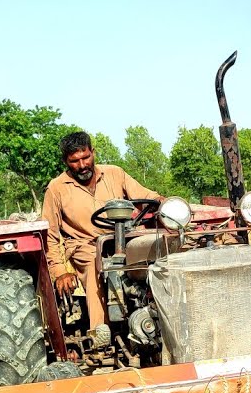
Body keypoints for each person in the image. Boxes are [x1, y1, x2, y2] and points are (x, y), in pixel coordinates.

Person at [40, 131, 162, 346]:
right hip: (84, 245)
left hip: (125, 238)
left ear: (93, 152)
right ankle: (101, 334)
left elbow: (146, 197)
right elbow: (49, 235)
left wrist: (164, 202)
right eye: (74, 161)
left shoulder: (114, 173)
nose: (82, 165)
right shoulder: (56, 188)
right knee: (96, 267)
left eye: (85, 157)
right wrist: (60, 272)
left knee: (157, 257)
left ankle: (157, 317)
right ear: (66, 162)